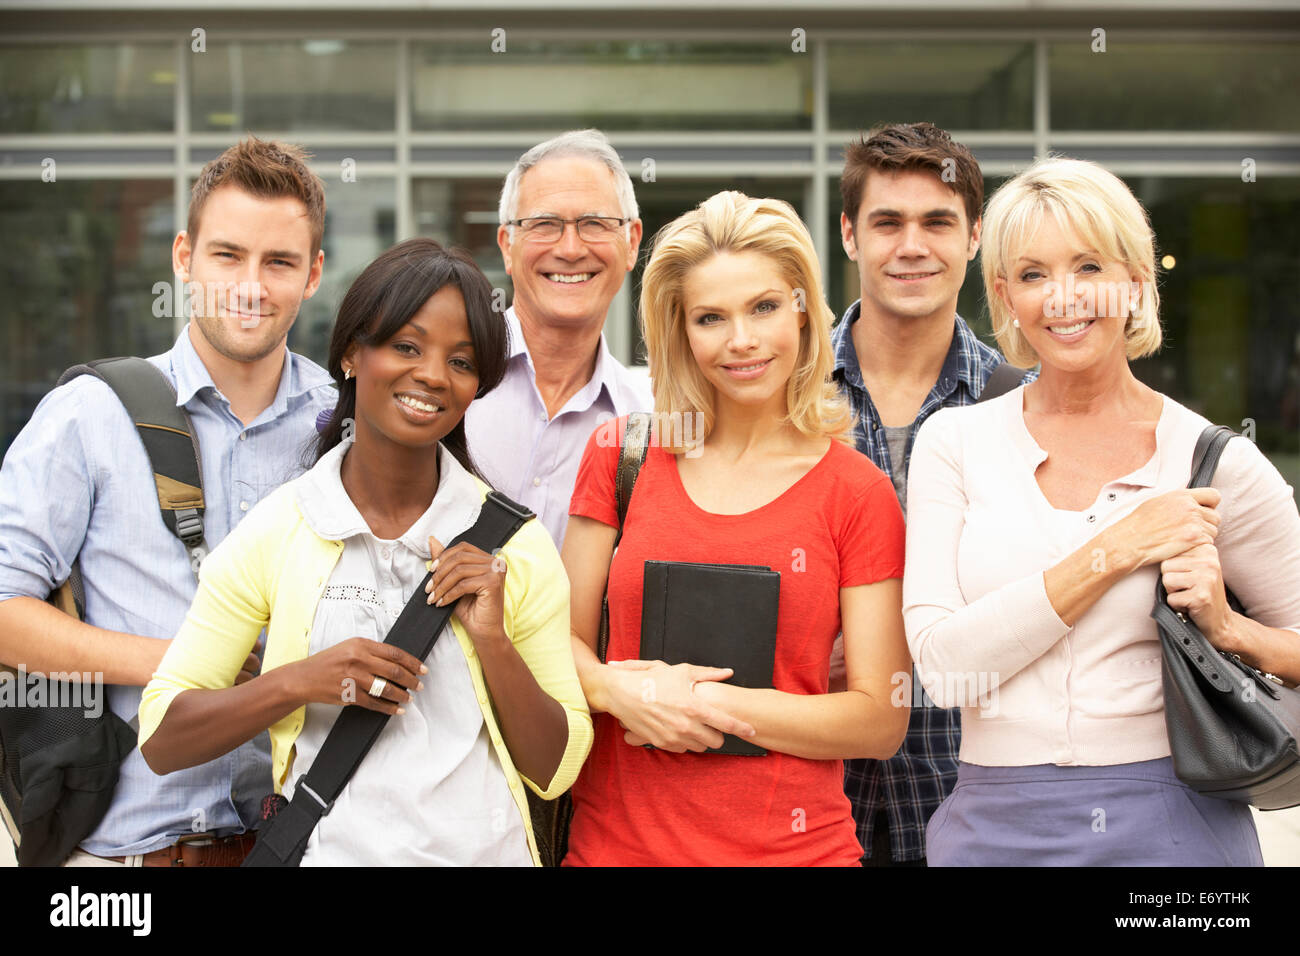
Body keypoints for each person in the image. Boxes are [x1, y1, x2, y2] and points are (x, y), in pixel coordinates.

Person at [138, 239, 593, 867]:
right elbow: (162, 738)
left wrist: (494, 642)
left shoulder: (515, 545)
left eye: (460, 361)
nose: (433, 374)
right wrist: (299, 681)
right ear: (353, 353)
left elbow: (557, 769)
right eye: (406, 346)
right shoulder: (282, 528)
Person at [905, 157, 1300, 865]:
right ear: (1004, 295)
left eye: (1089, 267)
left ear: (1137, 281)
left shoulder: (1214, 461)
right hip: (992, 827)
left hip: (1177, 828)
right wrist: (1113, 550)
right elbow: (939, 667)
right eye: (1032, 275)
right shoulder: (954, 443)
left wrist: (1230, 627)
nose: (1062, 298)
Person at [0, 137, 335, 867]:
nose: (250, 286)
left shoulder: (345, 428)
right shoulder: (89, 414)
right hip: (129, 862)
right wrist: (182, 661)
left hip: (306, 850)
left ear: (311, 275)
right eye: (227, 255)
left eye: (278, 262)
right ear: (184, 259)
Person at [561, 191, 911, 866]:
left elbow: (878, 718)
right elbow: (556, 646)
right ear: (681, 330)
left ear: (803, 311)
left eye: (765, 307)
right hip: (614, 851)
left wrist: (699, 701)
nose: (742, 340)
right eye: (710, 317)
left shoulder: (857, 491)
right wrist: (621, 691)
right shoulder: (621, 454)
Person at [830, 122, 1035, 866]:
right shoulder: (776, 400)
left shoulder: (1027, 409)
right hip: (806, 805)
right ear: (850, 235)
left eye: (938, 222)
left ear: (975, 236)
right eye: (887, 222)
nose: (911, 245)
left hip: (976, 807)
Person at [464, 129, 653, 550]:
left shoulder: (650, 424)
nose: (570, 249)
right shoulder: (447, 382)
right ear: (507, 246)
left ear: (631, 243)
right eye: (544, 224)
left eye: (594, 224)